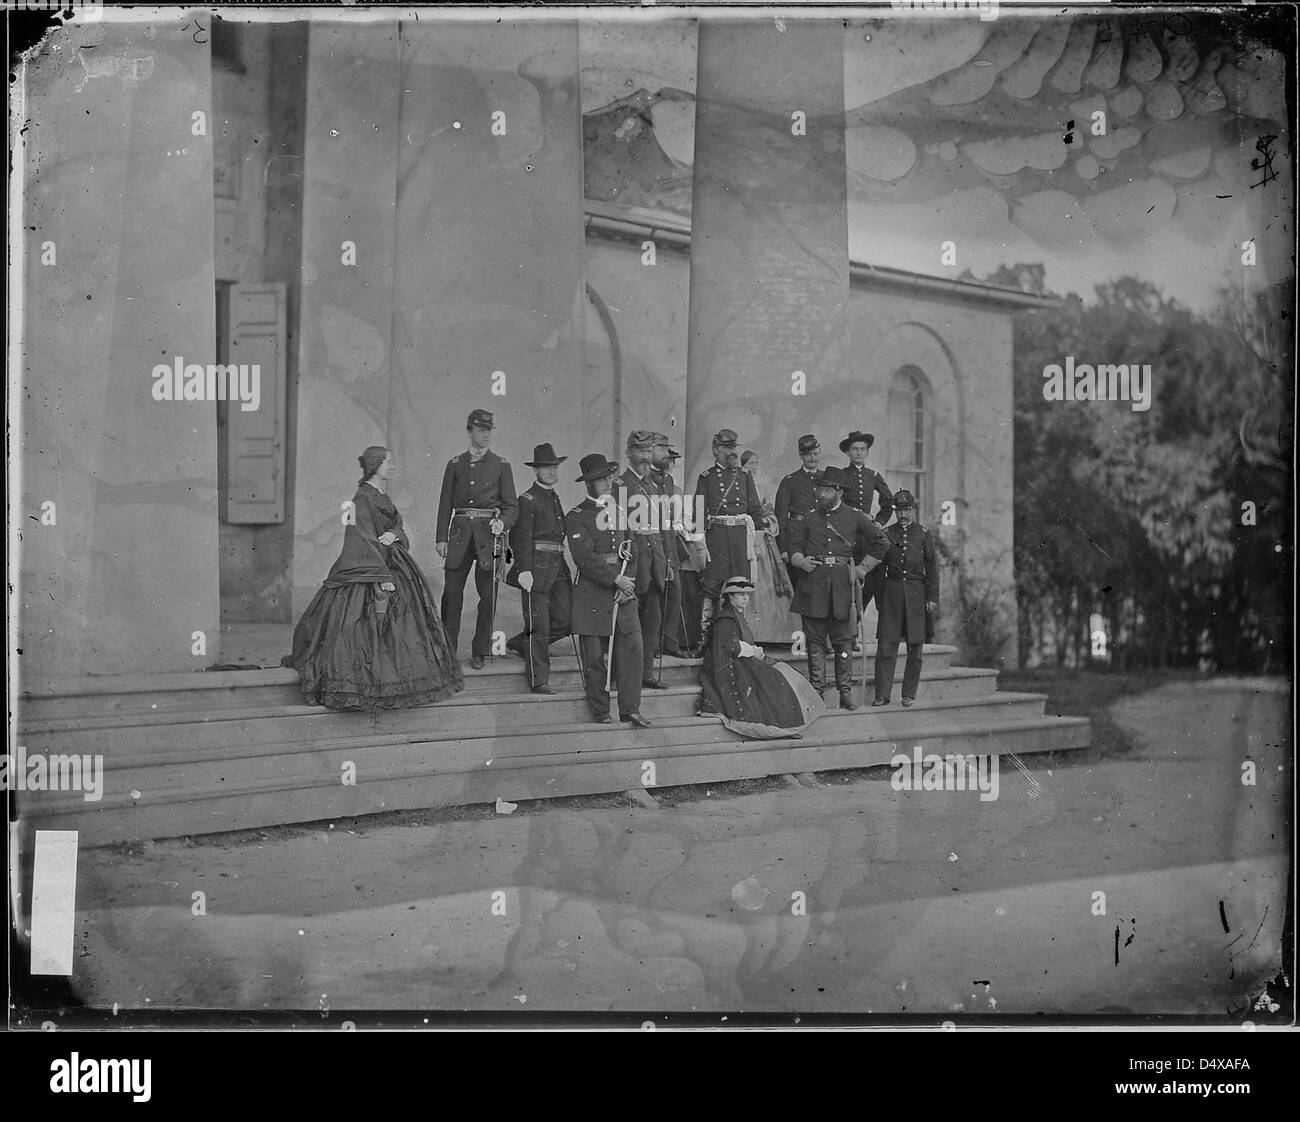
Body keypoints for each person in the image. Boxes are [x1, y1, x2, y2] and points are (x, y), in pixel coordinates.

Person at [283, 446, 464, 710]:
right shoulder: (361, 498)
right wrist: (380, 575)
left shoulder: (381, 495)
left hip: (394, 561)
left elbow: (397, 523)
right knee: (360, 629)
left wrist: (395, 534)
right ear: (376, 465)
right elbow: (361, 537)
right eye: (388, 462)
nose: (391, 466)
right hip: (373, 567)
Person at [787, 466, 889, 710]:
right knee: (815, 643)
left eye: (826, 489)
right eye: (819, 489)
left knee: (843, 643)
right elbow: (794, 547)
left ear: (838, 492)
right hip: (813, 588)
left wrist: (863, 568)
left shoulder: (854, 517)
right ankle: (817, 694)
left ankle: (845, 693)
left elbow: (881, 542)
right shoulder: (809, 517)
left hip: (843, 589)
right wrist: (801, 560)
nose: (821, 494)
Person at [566, 452, 651, 728]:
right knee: (594, 659)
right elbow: (584, 557)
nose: (605, 482)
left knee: (633, 649)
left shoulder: (621, 513)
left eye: (608, 477)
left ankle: (631, 709)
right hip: (593, 593)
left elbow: (632, 551)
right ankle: (601, 711)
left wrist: (627, 584)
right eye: (599, 479)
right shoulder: (577, 516)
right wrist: (616, 580)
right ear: (588, 483)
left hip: (623, 593)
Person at [436, 408, 518, 669]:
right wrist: (441, 538)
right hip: (459, 535)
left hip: (488, 537)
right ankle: (448, 652)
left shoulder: (501, 465)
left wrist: (501, 523)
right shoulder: (455, 465)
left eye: (488, 430)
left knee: (488, 596)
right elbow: (444, 504)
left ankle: (480, 651)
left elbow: (511, 507)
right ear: (469, 431)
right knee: (451, 595)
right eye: (480, 430)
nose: (485, 435)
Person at [698, 577, 825, 739]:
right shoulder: (726, 619)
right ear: (730, 597)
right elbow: (731, 647)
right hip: (732, 665)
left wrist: (755, 651)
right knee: (772, 679)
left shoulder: (735, 615)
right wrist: (753, 651)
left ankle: (785, 724)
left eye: (747, 595)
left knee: (780, 672)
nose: (745, 598)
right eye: (740, 594)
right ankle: (779, 727)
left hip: (741, 660)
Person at [693, 428, 771, 653]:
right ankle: (705, 642)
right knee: (711, 589)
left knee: (740, 589)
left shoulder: (744, 476)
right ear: (716, 450)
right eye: (727, 448)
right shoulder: (706, 477)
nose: (731, 453)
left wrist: (756, 541)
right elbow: (698, 513)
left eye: (733, 448)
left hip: (740, 538)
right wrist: (701, 546)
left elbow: (755, 509)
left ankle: (739, 640)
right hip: (717, 537)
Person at [504, 443, 572, 694]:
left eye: (554, 467)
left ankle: (520, 644)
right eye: (546, 467)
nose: (552, 471)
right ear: (536, 471)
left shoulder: (553, 496)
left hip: (558, 565)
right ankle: (539, 679)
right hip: (536, 567)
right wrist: (524, 569)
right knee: (539, 624)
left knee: (566, 618)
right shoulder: (528, 499)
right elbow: (519, 537)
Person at [616, 431, 672, 689]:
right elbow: (616, 528)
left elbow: (663, 526)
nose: (645, 457)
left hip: (656, 559)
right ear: (629, 453)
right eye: (640, 451)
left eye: (649, 451)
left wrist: (667, 561)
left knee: (653, 619)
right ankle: (622, 673)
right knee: (627, 622)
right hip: (634, 559)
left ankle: (646, 673)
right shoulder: (620, 485)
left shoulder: (655, 484)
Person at [873, 490, 939, 707]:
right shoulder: (886, 534)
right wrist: (880, 601)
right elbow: (879, 571)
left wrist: (932, 597)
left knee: (915, 648)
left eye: (907, 510)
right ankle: (882, 695)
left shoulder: (923, 534)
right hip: (891, 594)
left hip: (916, 594)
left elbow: (932, 567)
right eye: (900, 510)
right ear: (895, 511)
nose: (903, 514)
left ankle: (909, 694)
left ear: (913, 510)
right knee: (886, 646)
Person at [840, 429, 894, 651]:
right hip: (848, 535)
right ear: (848, 452)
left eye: (862, 449)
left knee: (868, 584)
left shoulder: (873, 475)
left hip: (867, 536)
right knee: (847, 582)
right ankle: (847, 634)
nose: (859, 453)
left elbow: (888, 501)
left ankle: (855, 628)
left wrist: (879, 522)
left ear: (867, 452)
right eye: (854, 449)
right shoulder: (843, 475)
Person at [740, 449, 794, 638]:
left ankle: (769, 631)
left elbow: (769, 510)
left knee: (767, 581)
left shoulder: (762, 486)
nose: (753, 468)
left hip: (761, 537)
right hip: (746, 535)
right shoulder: (739, 484)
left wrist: (766, 515)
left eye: (755, 464)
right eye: (749, 464)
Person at [650, 434, 690, 657]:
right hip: (652, 547)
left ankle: (670, 643)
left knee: (675, 596)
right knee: (655, 600)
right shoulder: (644, 480)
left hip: (670, 545)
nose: (666, 453)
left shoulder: (667, 481)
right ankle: (653, 645)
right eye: (662, 448)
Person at [774, 434, 821, 594]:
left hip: (820, 539)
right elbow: (780, 517)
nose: (812, 457)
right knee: (799, 588)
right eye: (808, 454)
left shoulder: (826, 479)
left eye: (815, 453)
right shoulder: (790, 481)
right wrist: (783, 548)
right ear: (801, 456)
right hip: (797, 540)